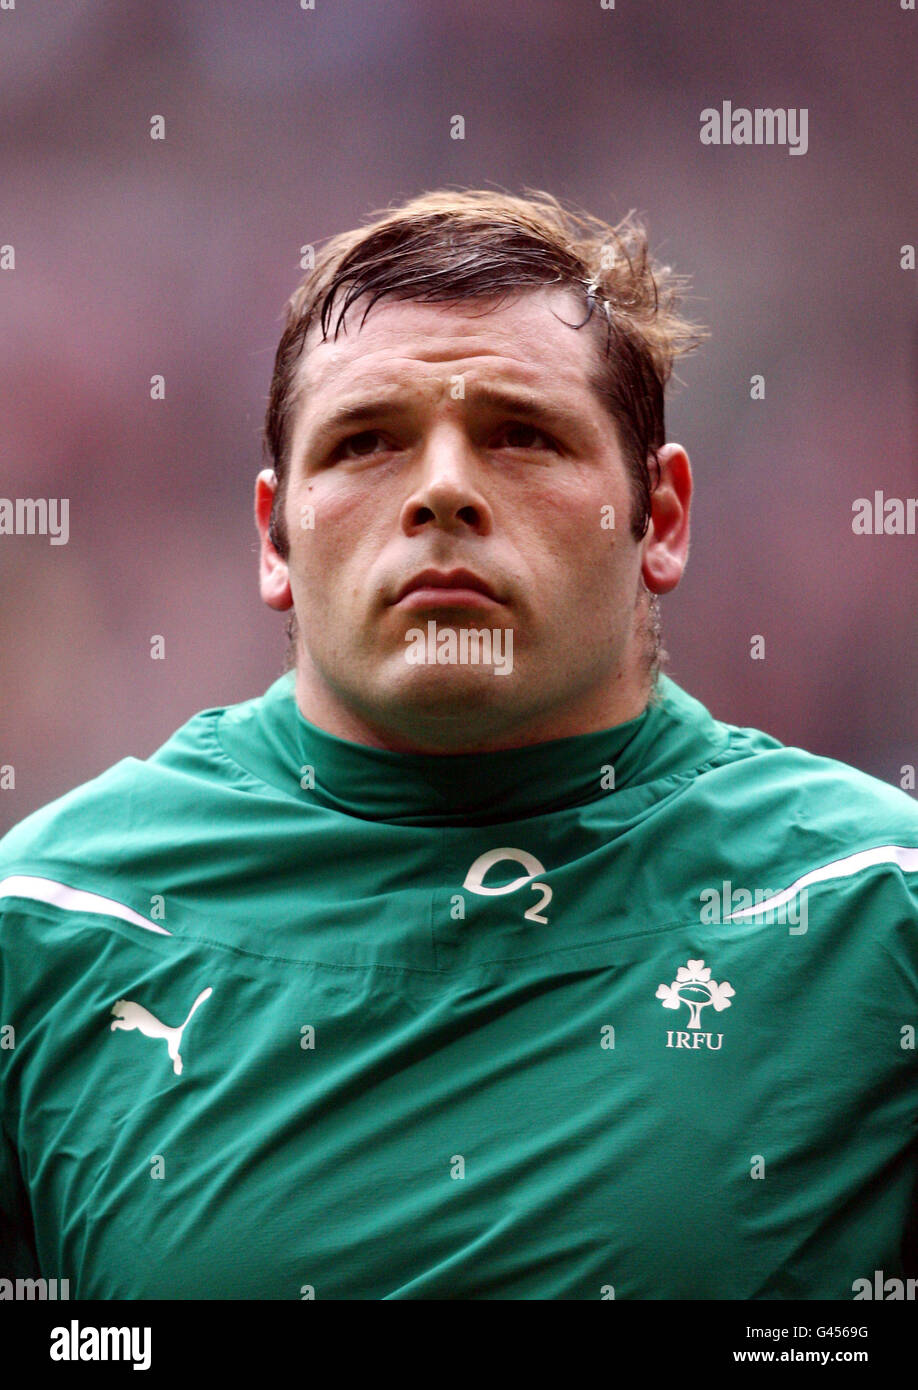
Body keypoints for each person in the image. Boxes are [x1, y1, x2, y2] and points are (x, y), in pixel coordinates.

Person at [1, 189, 916, 1301]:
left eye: (521, 435)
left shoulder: (876, 910)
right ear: (275, 535)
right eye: (367, 442)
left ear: (660, 518)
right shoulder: (49, 926)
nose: (441, 490)